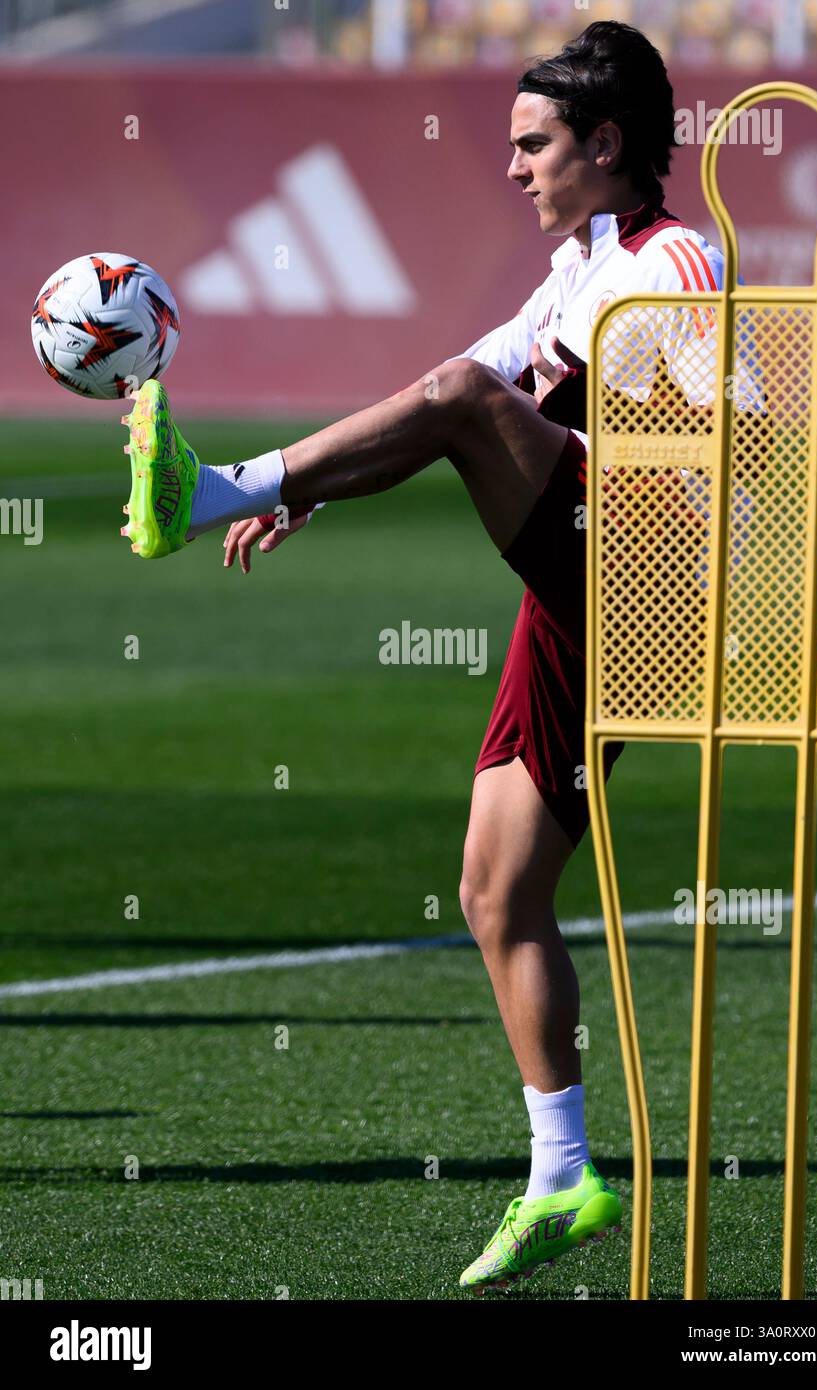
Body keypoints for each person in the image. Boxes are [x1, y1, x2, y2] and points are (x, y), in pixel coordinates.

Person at [119, 22, 724, 1293]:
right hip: (576, 596)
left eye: (532, 144)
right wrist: (317, 487)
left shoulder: (675, 263)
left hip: (648, 581)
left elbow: (744, 444)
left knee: (458, 397)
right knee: (494, 891)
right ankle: (562, 1177)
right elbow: (464, 386)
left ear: (605, 143)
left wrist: (274, 483)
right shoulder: (578, 270)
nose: (511, 166)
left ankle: (208, 490)